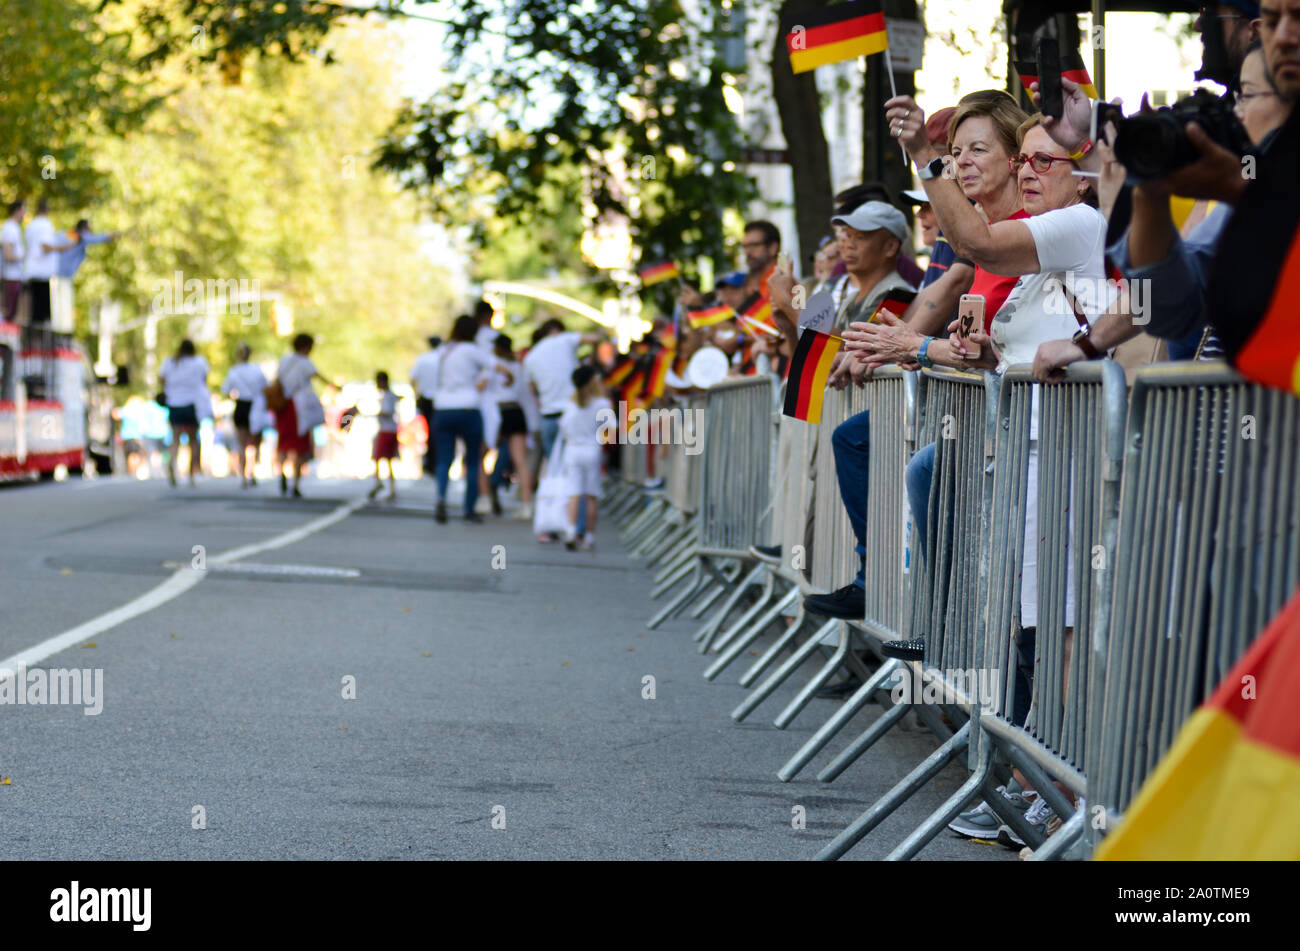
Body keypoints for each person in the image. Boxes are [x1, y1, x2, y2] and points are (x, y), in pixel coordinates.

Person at [433, 314, 512, 523]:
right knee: (473, 460)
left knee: (444, 460)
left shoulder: (444, 350)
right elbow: (498, 366)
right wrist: (510, 376)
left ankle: (441, 496)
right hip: (468, 407)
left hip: (443, 408)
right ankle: (469, 508)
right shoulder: (472, 350)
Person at [558, 365, 611, 551]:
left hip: (573, 449)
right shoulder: (601, 403)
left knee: (573, 493)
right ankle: (589, 536)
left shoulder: (570, 404)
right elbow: (610, 428)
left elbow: (564, 428)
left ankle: (571, 531)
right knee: (592, 495)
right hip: (592, 449)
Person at [275, 333, 330, 498]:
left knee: (283, 444)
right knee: (299, 447)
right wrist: (334, 386)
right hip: (299, 409)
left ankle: (282, 473)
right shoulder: (305, 362)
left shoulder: (285, 360)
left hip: (283, 406)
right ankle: (296, 483)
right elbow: (317, 376)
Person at [487, 334, 535, 520]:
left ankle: (489, 487)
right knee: (520, 460)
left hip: (498, 412)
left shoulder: (492, 364)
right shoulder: (519, 365)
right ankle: (526, 503)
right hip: (516, 411)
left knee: (483, 453)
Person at [159, 339, 211, 487]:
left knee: (175, 439)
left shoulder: (170, 363)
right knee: (193, 441)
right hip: (192, 404)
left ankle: (172, 464)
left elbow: (161, 379)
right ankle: (191, 474)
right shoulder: (199, 362)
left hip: (174, 403)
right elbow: (204, 380)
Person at [22, 199, 77, 328]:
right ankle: (39, 346)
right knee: (42, 316)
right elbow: (45, 247)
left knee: (33, 312)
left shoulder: (31, 225)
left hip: (31, 270)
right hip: (42, 273)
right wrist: (65, 248)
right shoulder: (45, 225)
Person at [221, 343, 270, 488]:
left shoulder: (234, 371)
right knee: (254, 443)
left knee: (242, 444)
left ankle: (243, 476)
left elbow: (226, 389)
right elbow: (265, 387)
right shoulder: (257, 370)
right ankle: (252, 472)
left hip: (241, 406)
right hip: (255, 406)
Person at [411, 335, 441, 477]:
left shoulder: (423, 359)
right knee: (436, 432)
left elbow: (413, 379)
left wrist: (416, 395)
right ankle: (434, 462)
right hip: (438, 400)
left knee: (431, 431)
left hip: (429, 399)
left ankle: (432, 462)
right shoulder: (442, 358)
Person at [369, 371, 399, 501]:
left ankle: (378, 482)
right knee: (388, 461)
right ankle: (391, 488)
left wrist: (372, 414)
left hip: (386, 430)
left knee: (378, 458)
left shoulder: (387, 396)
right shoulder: (390, 395)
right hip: (391, 430)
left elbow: (386, 412)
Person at [2, 200, 24, 323]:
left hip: (15, 275)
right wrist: (23, 257)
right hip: (11, 276)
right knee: (9, 312)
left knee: (12, 312)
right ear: (17, 210)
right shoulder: (10, 227)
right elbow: (8, 254)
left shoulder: (14, 227)